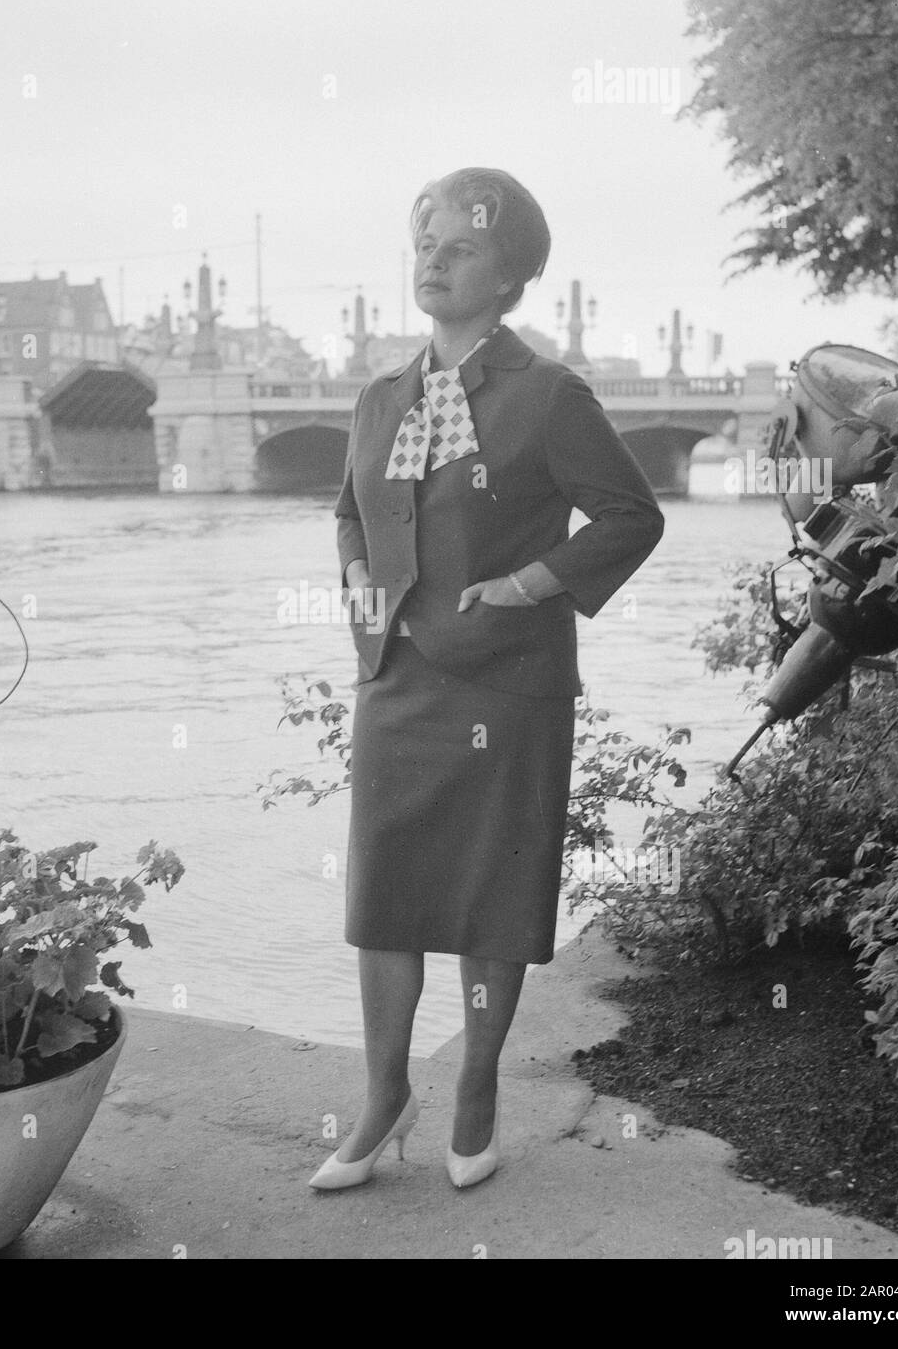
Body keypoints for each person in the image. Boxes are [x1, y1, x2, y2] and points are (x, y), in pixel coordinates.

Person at [311, 167, 664, 1191]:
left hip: (507, 686)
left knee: (490, 899)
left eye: (458, 246)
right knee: (384, 895)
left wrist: (525, 584)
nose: (431, 259)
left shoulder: (551, 397)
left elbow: (632, 517)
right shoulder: (382, 396)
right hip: (396, 680)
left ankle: (474, 1087)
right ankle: (383, 1096)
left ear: (509, 278)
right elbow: (348, 510)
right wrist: (355, 583)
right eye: (422, 242)